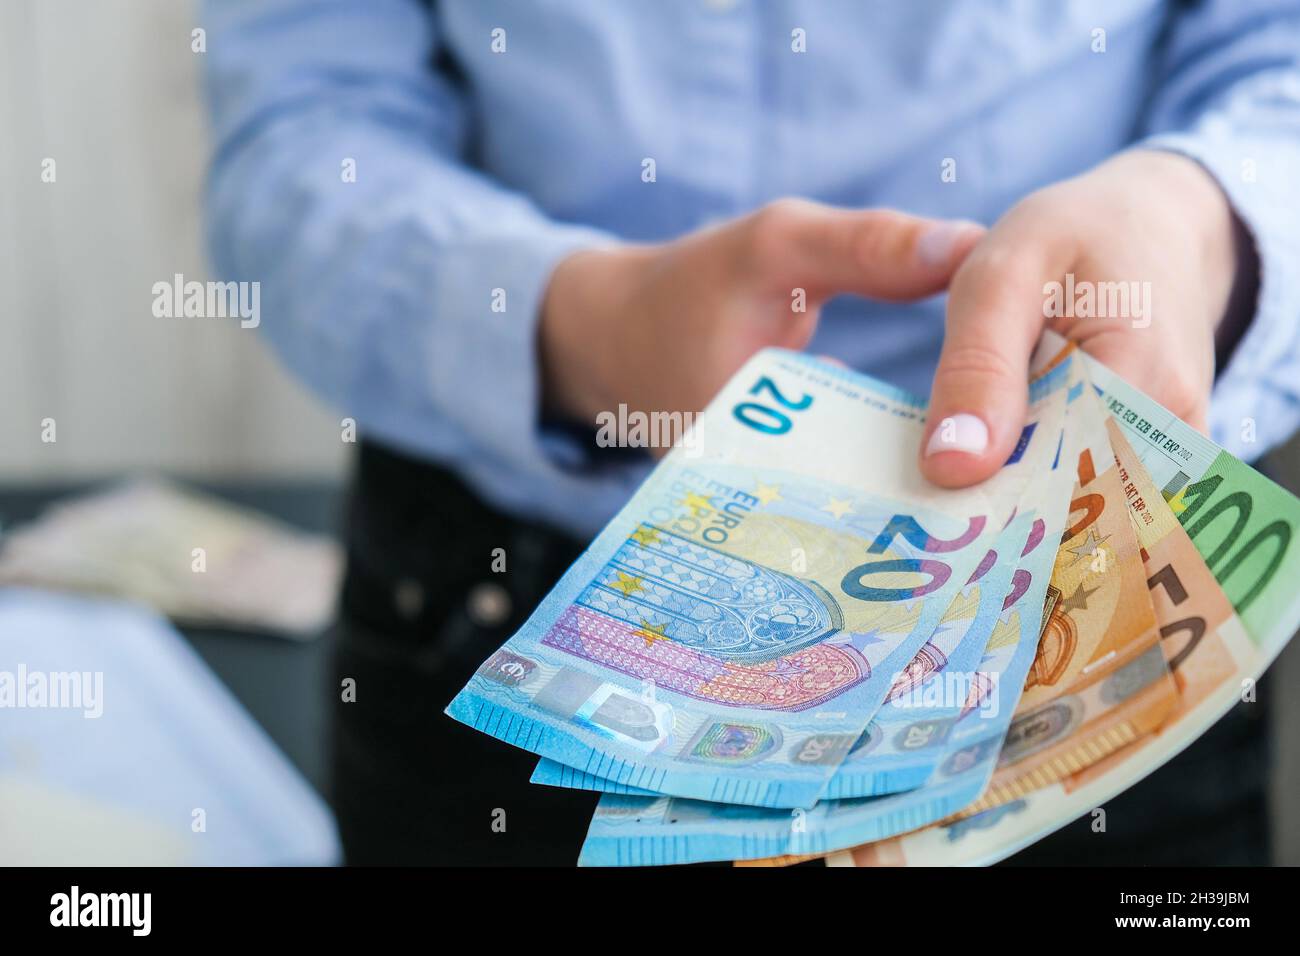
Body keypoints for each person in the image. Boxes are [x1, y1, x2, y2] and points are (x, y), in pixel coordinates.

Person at [201, 0, 1300, 865]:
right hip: (501, 589)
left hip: (1089, 600)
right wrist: (580, 323)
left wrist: (1199, 223)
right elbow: (298, 130)